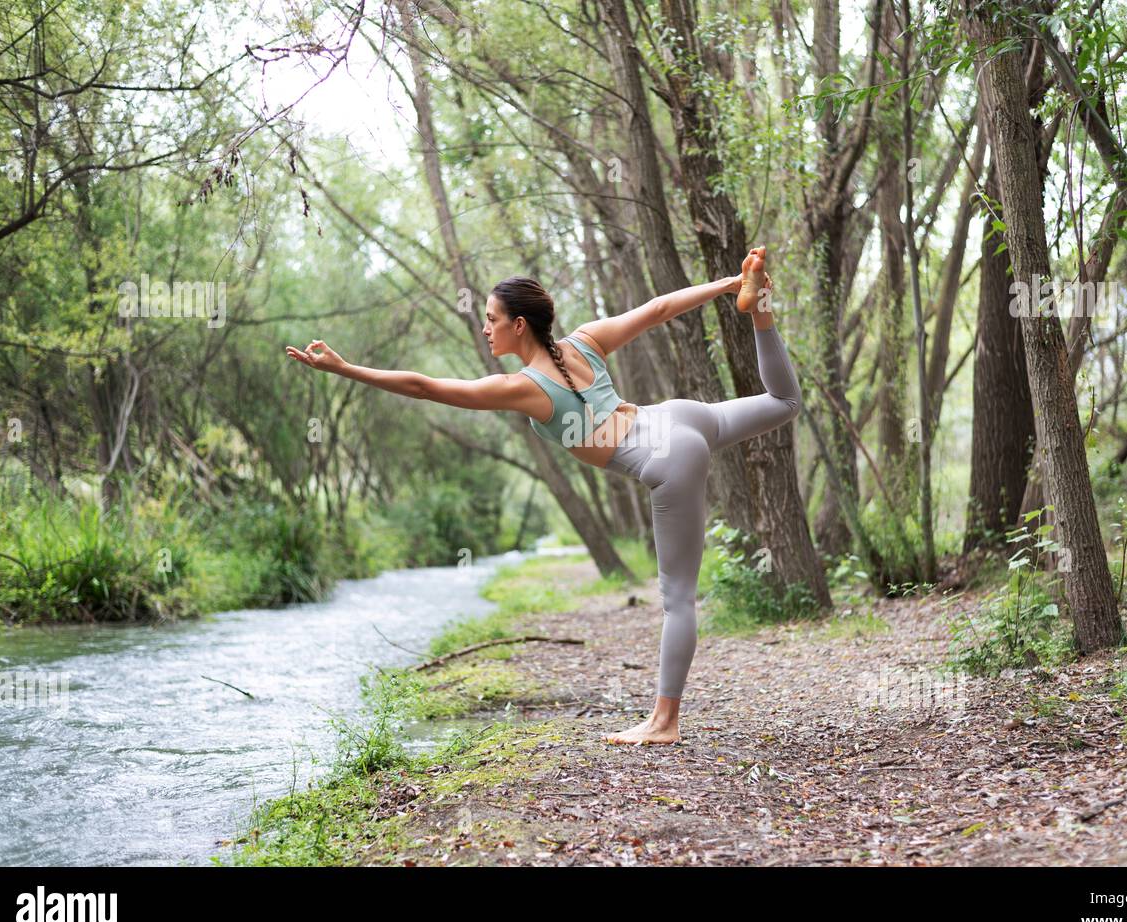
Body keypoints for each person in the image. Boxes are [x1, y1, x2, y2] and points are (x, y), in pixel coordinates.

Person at [285, 247, 802, 745]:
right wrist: (732, 284)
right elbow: (659, 308)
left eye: (491, 319)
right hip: (676, 418)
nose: (485, 328)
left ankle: (665, 722)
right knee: (783, 401)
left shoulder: (523, 387)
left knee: (678, 600)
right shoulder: (584, 341)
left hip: (669, 458)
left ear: (519, 325)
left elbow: (424, 386)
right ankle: (760, 307)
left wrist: (345, 368)